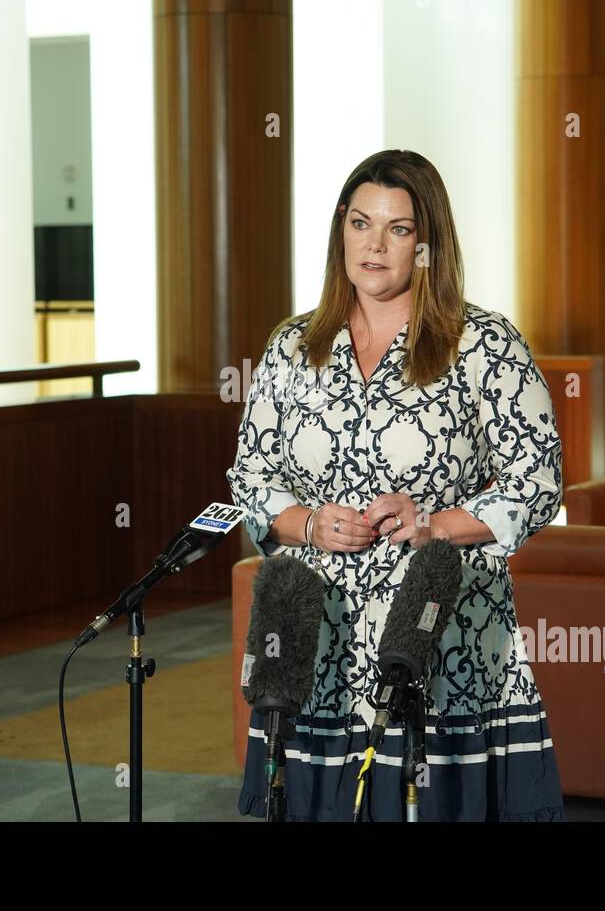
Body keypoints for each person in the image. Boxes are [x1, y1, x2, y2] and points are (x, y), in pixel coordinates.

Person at [225, 149, 565, 821]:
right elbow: (250, 477)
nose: (374, 244)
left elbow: (539, 479)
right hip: (317, 646)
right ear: (340, 232)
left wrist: (437, 522)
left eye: (398, 229)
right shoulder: (292, 346)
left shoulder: (485, 344)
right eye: (360, 222)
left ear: (427, 245)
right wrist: (309, 522)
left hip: (440, 636)